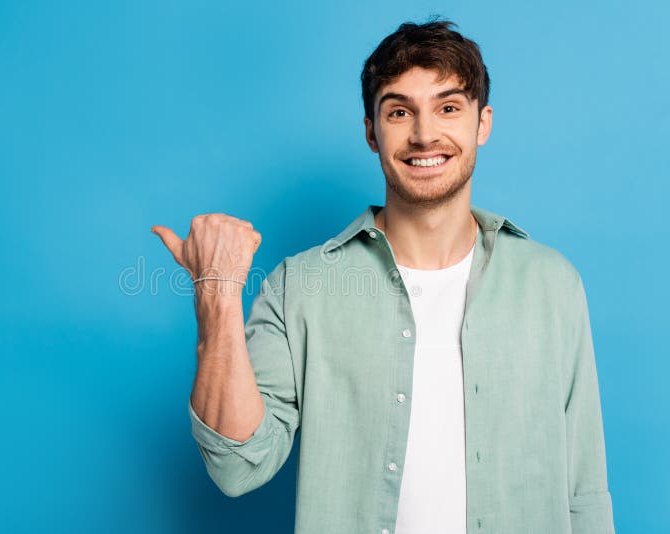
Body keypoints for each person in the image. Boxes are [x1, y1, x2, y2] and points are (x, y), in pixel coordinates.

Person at [152, 17, 615, 534]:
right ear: (372, 132)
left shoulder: (552, 285)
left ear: (482, 122)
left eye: (448, 107)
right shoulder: (299, 288)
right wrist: (217, 296)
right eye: (399, 111)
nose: (424, 134)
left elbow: (585, 493)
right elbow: (238, 465)